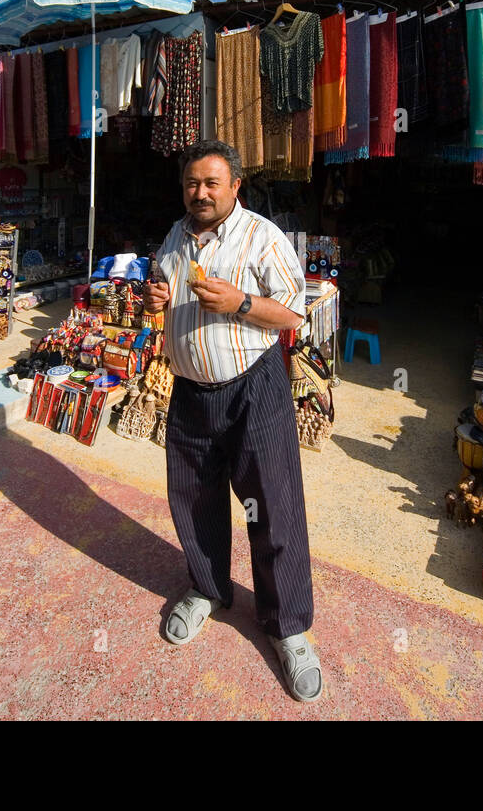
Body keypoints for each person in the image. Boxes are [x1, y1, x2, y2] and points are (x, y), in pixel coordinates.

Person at [143, 139, 322, 702]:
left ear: (235, 186)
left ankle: (287, 626)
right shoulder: (174, 236)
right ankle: (207, 587)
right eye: (192, 183)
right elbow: (160, 295)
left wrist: (241, 303)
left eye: (211, 183)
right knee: (193, 496)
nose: (200, 193)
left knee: (272, 502)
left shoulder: (262, 235)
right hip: (191, 391)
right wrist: (153, 301)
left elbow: (295, 310)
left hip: (254, 386)